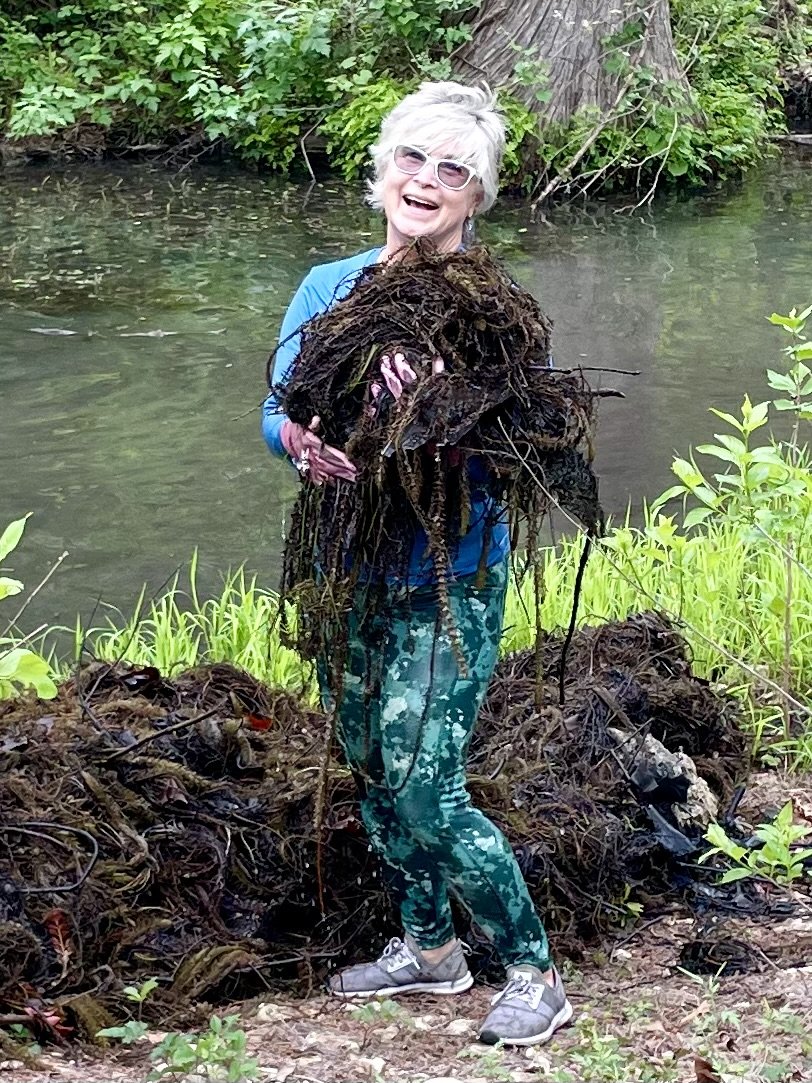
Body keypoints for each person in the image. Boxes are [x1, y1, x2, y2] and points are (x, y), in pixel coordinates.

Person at [262, 81, 572, 1047]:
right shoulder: (328, 285)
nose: (427, 182)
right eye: (412, 160)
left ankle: (534, 971)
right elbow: (276, 410)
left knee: (428, 783)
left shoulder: (495, 313)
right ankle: (431, 951)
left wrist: (448, 397)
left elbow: (534, 444)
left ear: (477, 198)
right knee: (368, 762)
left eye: (453, 170)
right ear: (382, 172)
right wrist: (300, 443)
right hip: (344, 562)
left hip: (453, 573)